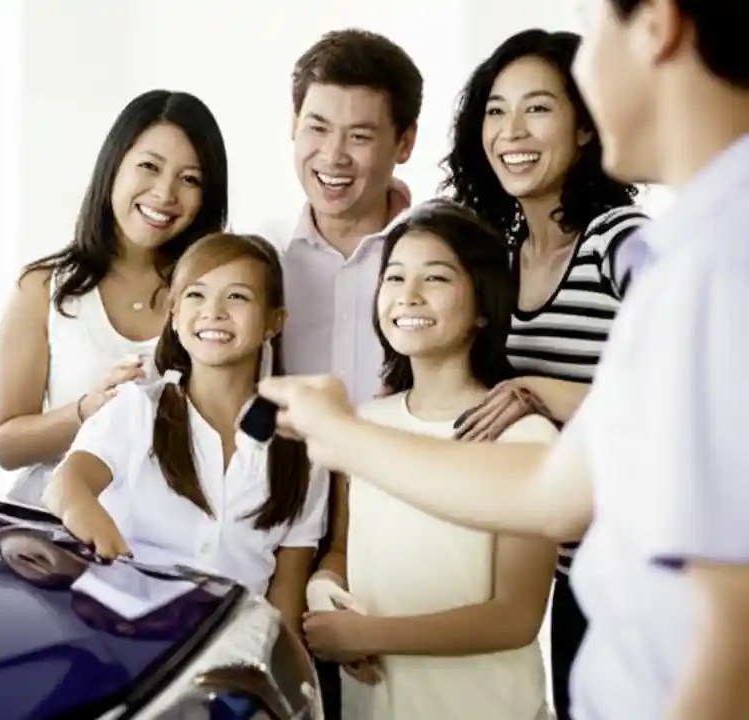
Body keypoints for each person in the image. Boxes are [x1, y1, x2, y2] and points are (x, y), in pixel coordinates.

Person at [259, 2, 749, 717]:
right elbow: (558, 489)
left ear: (657, 25)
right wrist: (346, 435)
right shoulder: (689, 248)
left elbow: (728, 622)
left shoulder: (712, 261)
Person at [438, 28, 648, 717]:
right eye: (496, 110)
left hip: (639, 572)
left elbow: (688, 397)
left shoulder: (622, 240)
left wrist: (541, 392)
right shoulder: (499, 253)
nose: (511, 131)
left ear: (586, 126)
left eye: (538, 108)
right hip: (558, 570)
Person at [306, 199, 558, 719]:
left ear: (484, 304)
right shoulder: (364, 424)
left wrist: (369, 635)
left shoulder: (524, 437)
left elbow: (516, 617)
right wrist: (323, 588)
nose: (408, 296)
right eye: (394, 278)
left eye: (436, 279)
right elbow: (341, 552)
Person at [255, 31, 424, 716]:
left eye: (359, 136)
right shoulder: (260, 255)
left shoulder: (436, 257)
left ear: (403, 143)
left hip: (408, 516)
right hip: (284, 525)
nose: (332, 156)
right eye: (316, 128)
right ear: (292, 128)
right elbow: (242, 396)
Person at [42, 232, 327, 634]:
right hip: (121, 639)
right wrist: (93, 523)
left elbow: (286, 596)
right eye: (196, 295)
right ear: (174, 316)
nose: (213, 312)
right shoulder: (137, 408)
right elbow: (66, 485)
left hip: (231, 656)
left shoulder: (303, 443)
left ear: (273, 322)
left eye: (238, 297)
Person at [0, 90, 229, 504]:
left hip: (168, 539)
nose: (165, 193)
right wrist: (89, 410)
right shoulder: (43, 289)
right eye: (149, 167)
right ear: (113, 167)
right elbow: (6, 445)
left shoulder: (217, 298)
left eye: (190, 179)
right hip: (55, 533)